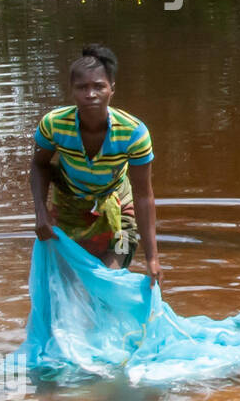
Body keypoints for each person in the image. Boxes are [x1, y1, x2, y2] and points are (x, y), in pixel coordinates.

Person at [30, 44, 160, 285]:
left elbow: (143, 195)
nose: (90, 94)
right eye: (82, 87)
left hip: (120, 212)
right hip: (68, 212)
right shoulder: (54, 125)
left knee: (109, 276)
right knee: (69, 284)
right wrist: (41, 212)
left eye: (98, 86)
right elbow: (39, 165)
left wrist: (152, 257)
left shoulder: (134, 133)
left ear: (112, 89)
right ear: (72, 91)